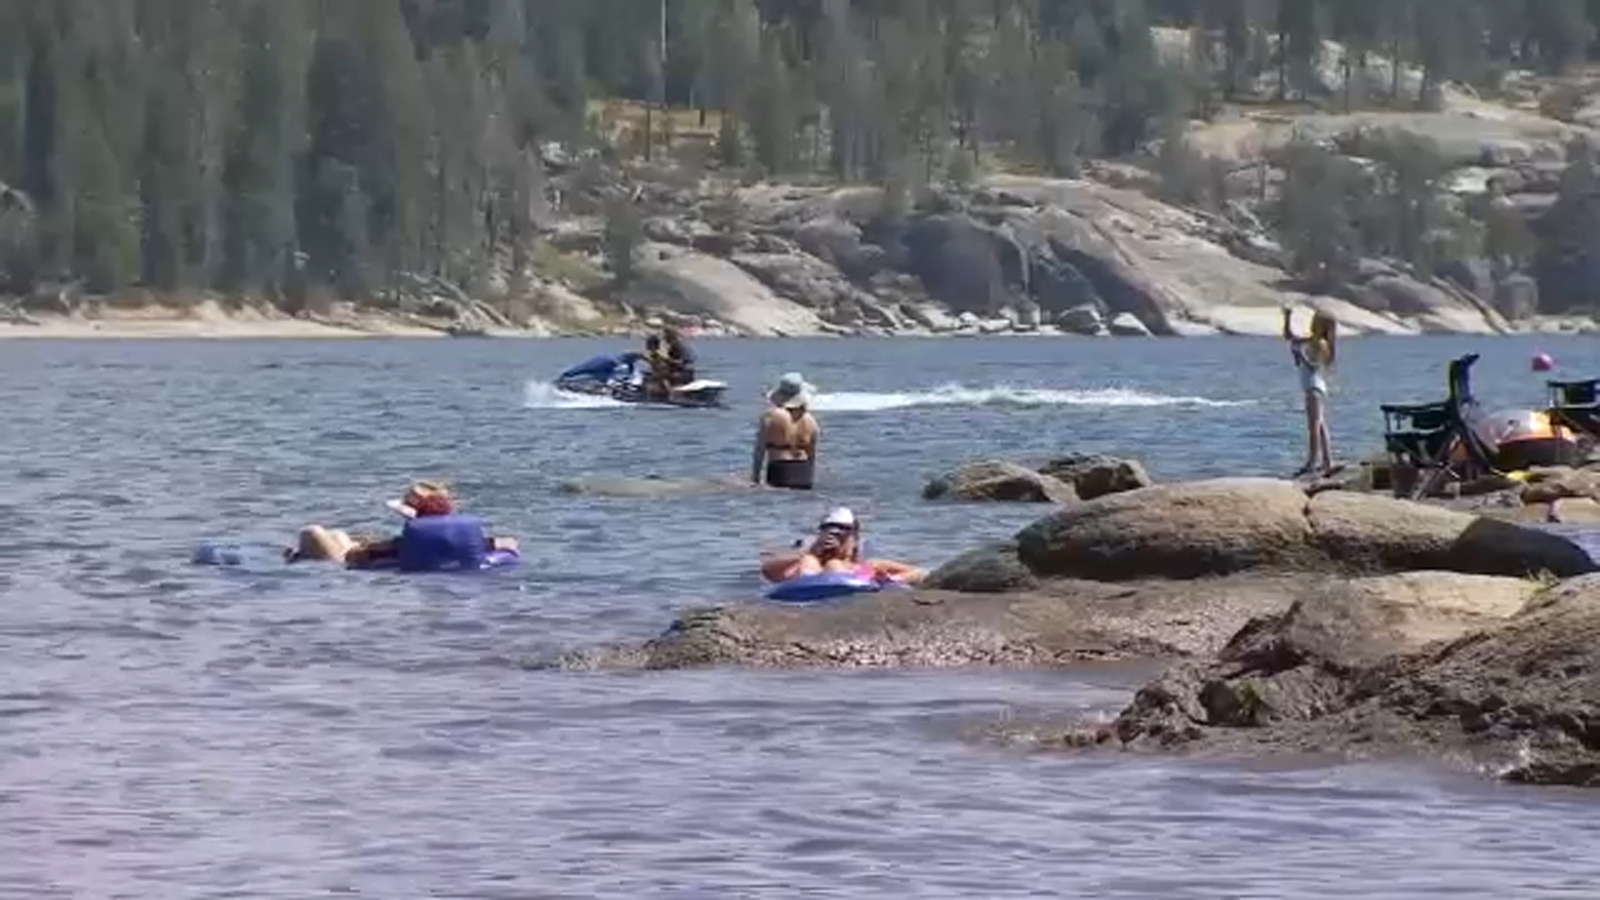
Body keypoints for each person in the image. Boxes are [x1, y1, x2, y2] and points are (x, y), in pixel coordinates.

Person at [285, 481, 518, 567]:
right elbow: (510, 543)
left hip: (344, 560)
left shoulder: (407, 543)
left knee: (315, 532)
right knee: (339, 535)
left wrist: (364, 545)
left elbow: (363, 556)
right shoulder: (472, 541)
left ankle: (298, 555)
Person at [761, 507, 926, 585]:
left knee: (835, 565)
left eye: (842, 534)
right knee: (811, 561)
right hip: (809, 584)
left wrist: (888, 580)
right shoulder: (804, 561)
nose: (834, 537)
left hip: (852, 580)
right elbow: (767, 569)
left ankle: (838, 581)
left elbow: (921, 573)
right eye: (828, 531)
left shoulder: (867, 566)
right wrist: (810, 552)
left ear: (854, 539)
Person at [1282, 307, 1337, 477]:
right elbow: (1289, 337)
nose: (1313, 323)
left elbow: (1314, 365)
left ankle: (1312, 462)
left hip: (1314, 386)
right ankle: (1327, 462)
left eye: (1316, 321)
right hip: (1311, 386)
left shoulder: (1320, 343)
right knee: (1319, 425)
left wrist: (1301, 355)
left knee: (1313, 426)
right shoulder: (1312, 340)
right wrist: (1287, 318)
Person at [752, 372, 820, 489]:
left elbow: (759, 450)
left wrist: (755, 478)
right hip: (804, 472)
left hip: (780, 469)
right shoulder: (811, 420)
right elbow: (812, 455)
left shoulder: (771, 416)